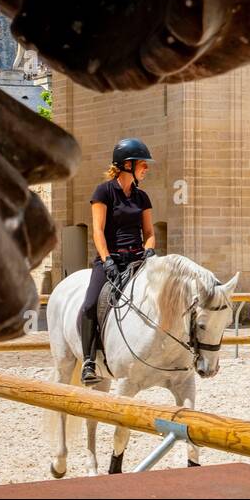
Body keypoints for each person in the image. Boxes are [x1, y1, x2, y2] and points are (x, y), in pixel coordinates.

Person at [80, 137, 157, 385]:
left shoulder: (142, 197)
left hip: (137, 260)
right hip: (110, 259)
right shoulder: (103, 192)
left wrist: (149, 250)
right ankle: (88, 361)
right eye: (143, 164)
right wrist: (107, 260)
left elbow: (150, 233)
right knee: (91, 304)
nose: (146, 168)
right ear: (127, 165)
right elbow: (97, 231)